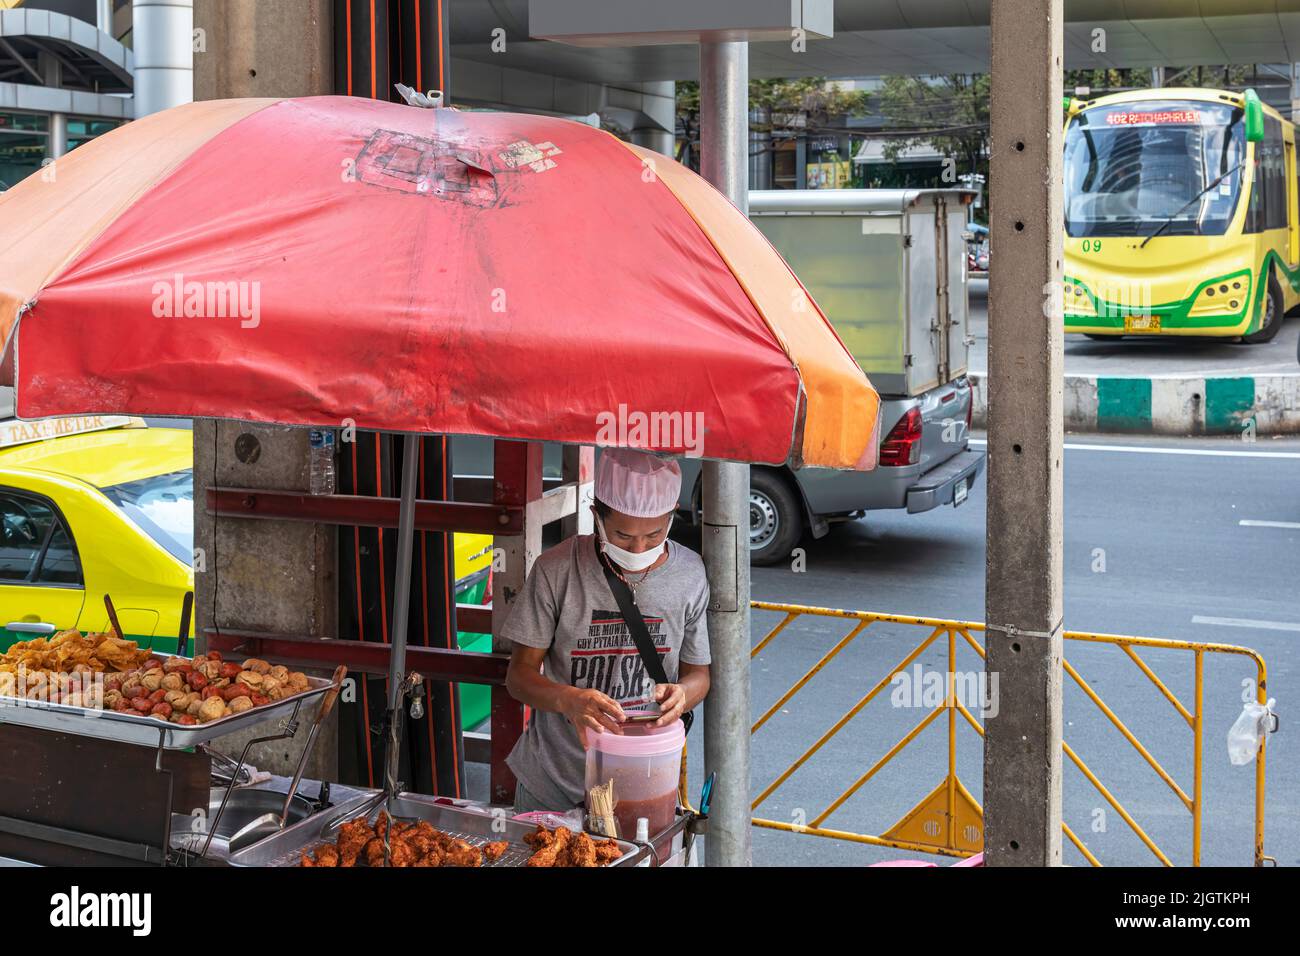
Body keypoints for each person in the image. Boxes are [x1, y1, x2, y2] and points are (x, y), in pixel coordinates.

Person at [502, 447, 712, 813]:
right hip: (554, 780)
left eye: (654, 534)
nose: (639, 547)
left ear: (671, 518)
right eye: (622, 535)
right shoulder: (556, 570)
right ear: (596, 515)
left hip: (644, 779)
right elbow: (518, 677)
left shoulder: (690, 574)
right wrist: (568, 700)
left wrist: (683, 695)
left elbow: (699, 676)